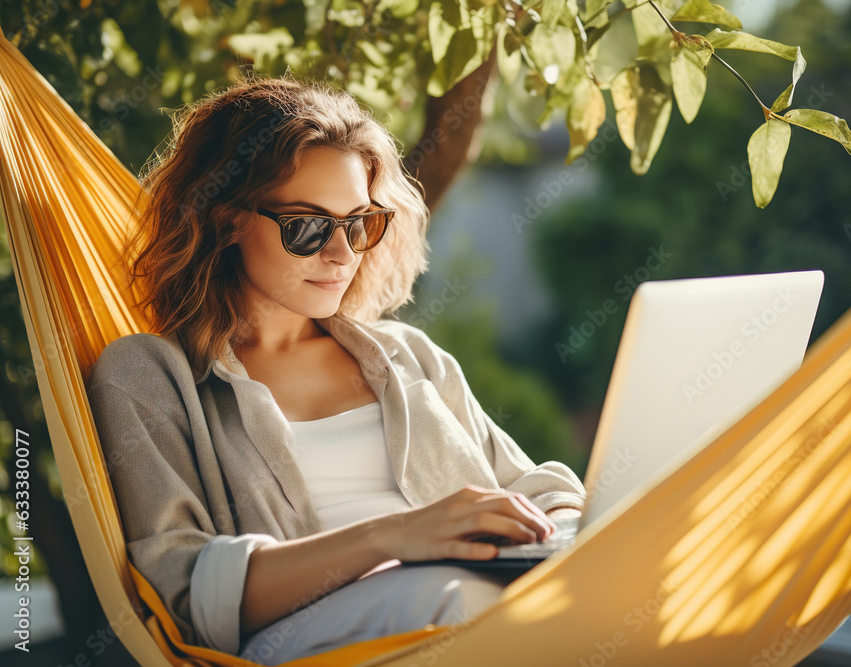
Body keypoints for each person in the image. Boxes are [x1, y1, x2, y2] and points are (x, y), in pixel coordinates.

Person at [84, 75, 587, 665]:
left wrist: (567, 530)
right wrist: (391, 538)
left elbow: (539, 489)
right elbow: (189, 594)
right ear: (226, 221)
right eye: (307, 227)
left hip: (471, 601)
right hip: (312, 636)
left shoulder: (407, 356)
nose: (343, 253)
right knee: (466, 601)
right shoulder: (150, 376)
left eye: (359, 223)